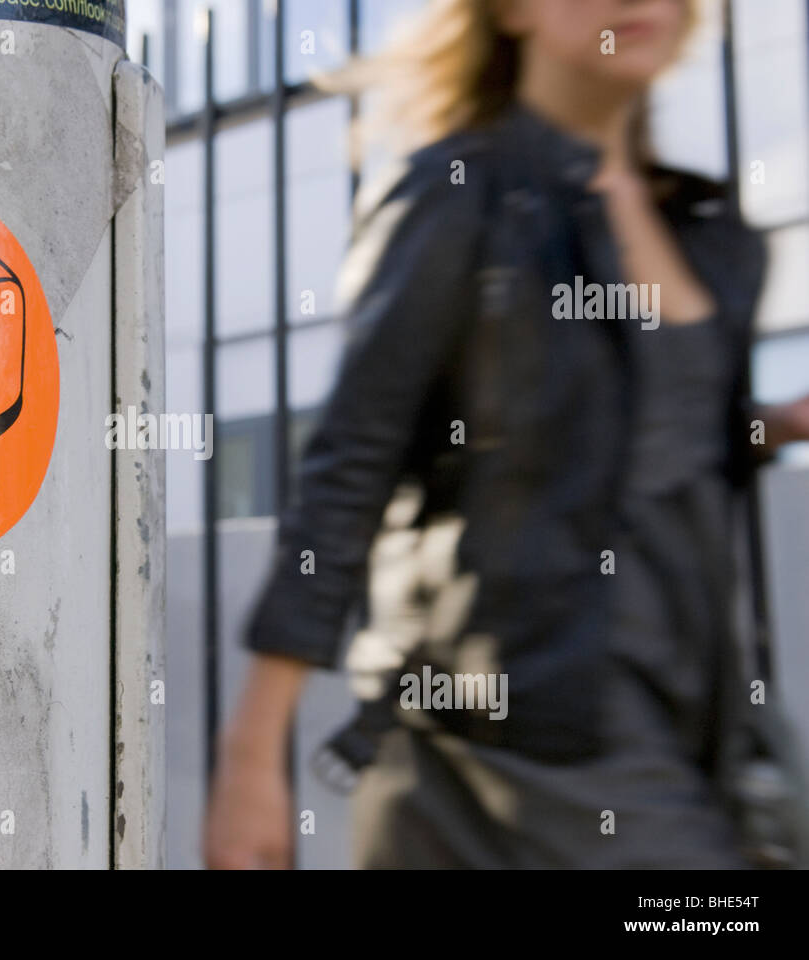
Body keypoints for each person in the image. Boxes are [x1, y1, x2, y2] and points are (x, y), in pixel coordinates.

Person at [203, 0, 809, 869]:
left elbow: (647, 441)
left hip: (689, 712)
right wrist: (253, 753)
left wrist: (774, 424)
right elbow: (353, 460)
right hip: (521, 731)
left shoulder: (713, 233)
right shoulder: (462, 192)